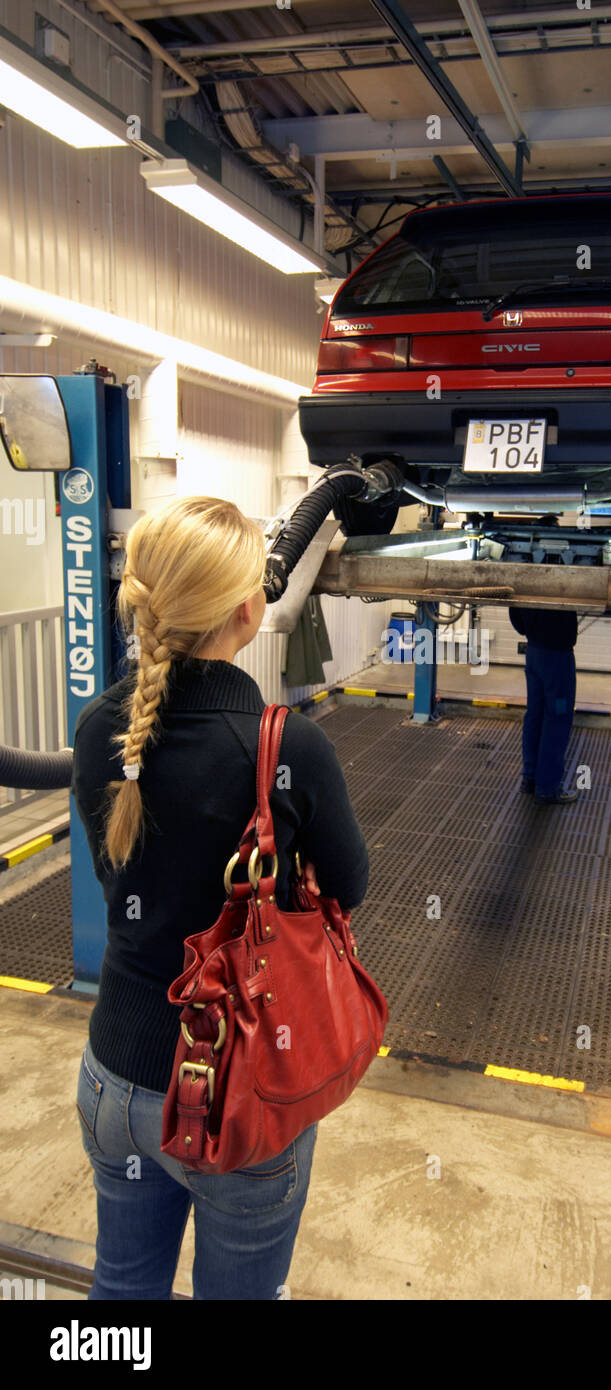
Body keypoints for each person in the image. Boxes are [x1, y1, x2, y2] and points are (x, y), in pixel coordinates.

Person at [71, 495, 368, 1300]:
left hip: (115, 1079)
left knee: (123, 1288)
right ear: (249, 610)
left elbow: (119, 877)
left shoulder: (101, 726)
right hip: (242, 1092)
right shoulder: (287, 746)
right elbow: (350, 887)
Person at [508, 604, 579, 804]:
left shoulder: (525, 575)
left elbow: (516, 617)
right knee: (557, 718)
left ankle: (529, 778)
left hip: (534, 653)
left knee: (535, 715)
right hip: (557, 658)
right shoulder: (565, 576)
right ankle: (547, 787)